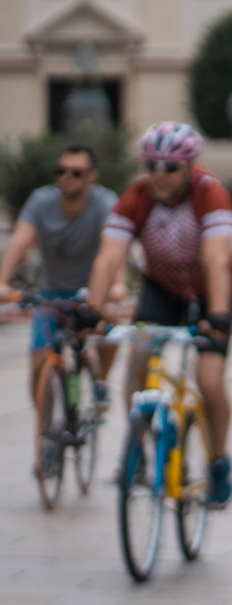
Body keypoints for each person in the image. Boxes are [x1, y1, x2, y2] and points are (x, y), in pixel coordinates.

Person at [88, 123, 232, 507]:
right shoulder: (137, 197)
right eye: (151, 165)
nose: (159, 174)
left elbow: (217, 259)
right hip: (162, 288)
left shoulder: (210, 193)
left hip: (209, 291)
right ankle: (137, 450)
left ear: (189, 167)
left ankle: (219, 461)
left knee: (209, 378)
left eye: (170, 167)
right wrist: (93, 310)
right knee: (139, 359)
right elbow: (108, 258)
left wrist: (219, 315)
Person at [0, 143, 119, 464]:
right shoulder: (42, 201)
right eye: (61, 171)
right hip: (51, 296)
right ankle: (47, 434)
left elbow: (114, 248)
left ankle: (101, 382)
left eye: (76, 172)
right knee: (40, 362)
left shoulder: (104, 203)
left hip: (89, 294)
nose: (67, 177)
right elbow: (20, 239)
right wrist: (3, 282)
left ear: (92, 177)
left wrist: (116, 286)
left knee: (110, 326)